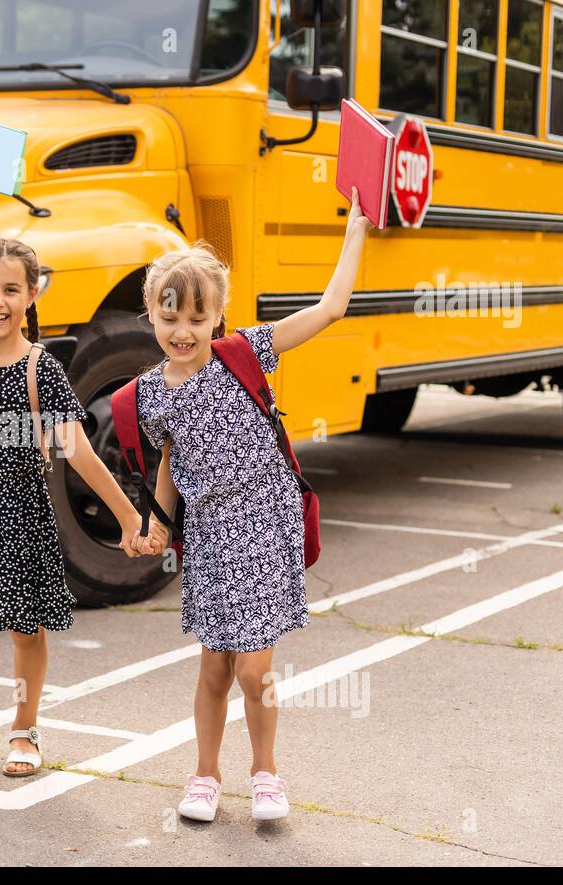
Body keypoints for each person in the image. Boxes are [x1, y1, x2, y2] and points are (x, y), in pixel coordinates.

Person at [136, 187, 370, 822]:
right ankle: (204, 776)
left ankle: (265, 773)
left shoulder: (246, 353)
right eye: (169, 317)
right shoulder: (149, 396)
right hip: (211, 537)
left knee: (253, 668)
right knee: (215, 667)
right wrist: (157, 527)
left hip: (268, 526)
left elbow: (330, 309)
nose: (182, 332)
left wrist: (354, 234)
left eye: (196, 317)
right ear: (151, 316)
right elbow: (167, 467)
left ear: (219, 316)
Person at [0, 161, 149, 777]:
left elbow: (80, 452)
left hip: (20, 515)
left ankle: (26, 726)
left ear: (31, 295)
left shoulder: (42, 369)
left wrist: (128, 517)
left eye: (11, 290)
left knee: (27, 635)